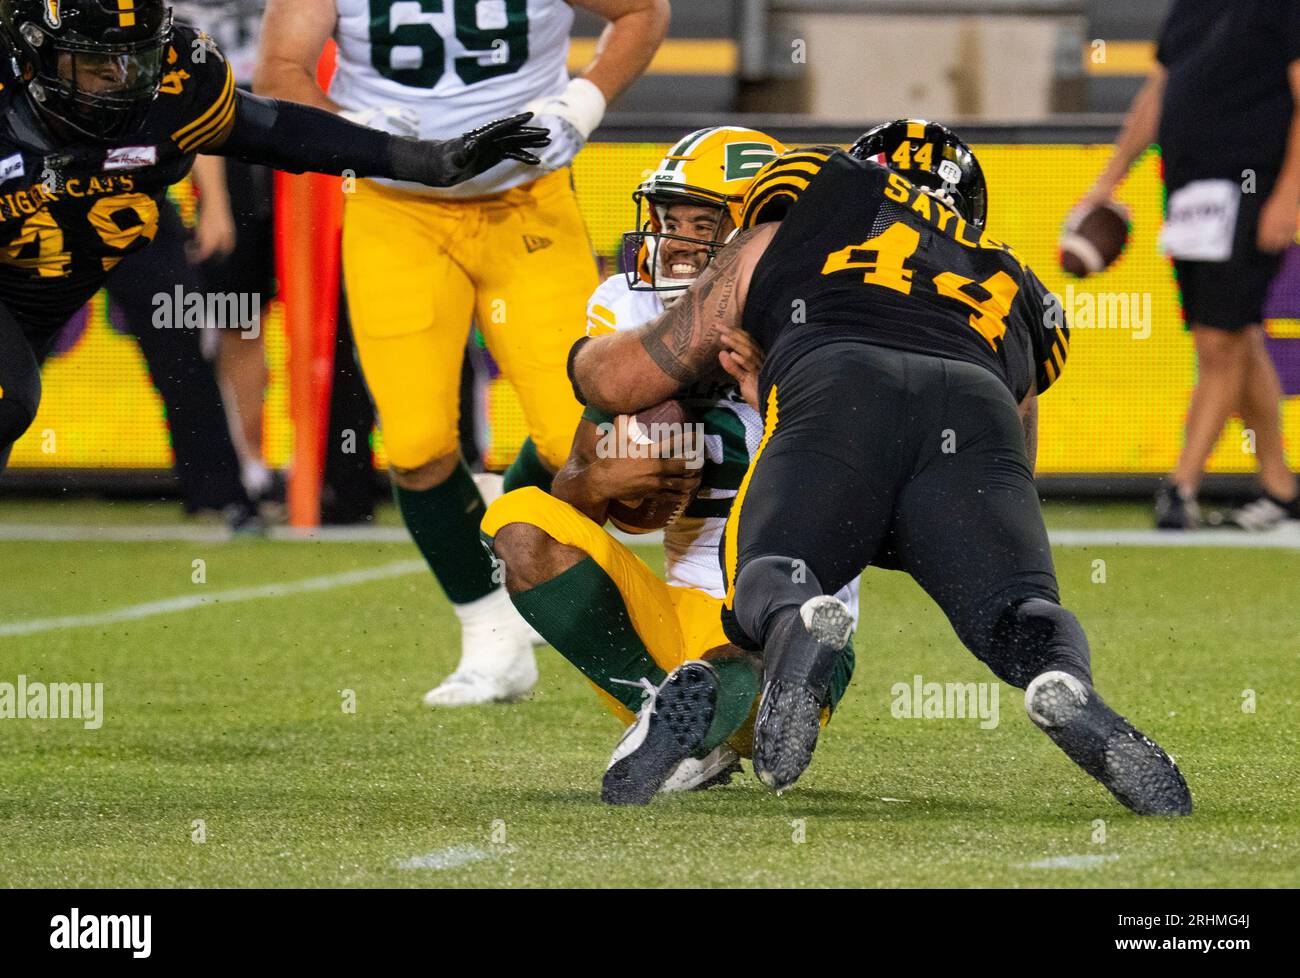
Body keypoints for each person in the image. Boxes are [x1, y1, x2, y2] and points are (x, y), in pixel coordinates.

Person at [568, 121, 1193, 817]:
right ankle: (1061, 681)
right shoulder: (1016, 278)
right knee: (1017, 607)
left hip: (840, 382)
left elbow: (625, 381)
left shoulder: (811, 193)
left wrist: (584, 363)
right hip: (976, 406)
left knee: (771, 573)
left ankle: (795, 622)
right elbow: (1017, 466)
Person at [254, 0, 671, 707]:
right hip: (394, 207)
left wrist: (581, 103)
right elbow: (281, 72)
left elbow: (642, 11)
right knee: (416, 447)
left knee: (578, 429)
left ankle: (509, 530)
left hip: (526, 200)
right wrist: (364, 136)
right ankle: (490, 637)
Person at [0, 0, 546, 476]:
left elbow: (279, 130)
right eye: (98, 63)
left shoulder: (177, 84)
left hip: (44, 302)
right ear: (32, 55)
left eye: (135, 58)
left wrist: (424, 160)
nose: (122, 77)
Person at [481, 127, 860, 804]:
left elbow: (856, 487)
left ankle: (694, 722)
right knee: (518, 522)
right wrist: (599, 482)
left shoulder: (821, 314)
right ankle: (675, 715)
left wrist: (774, 395)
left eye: (703, 223)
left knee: (738, 653)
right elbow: (575, 497)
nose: (677, 242)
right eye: (669, 220)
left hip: (788, 619)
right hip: (681, 610)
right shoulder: (632, 311)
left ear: (758, 231)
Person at [1075, 0, 1300, 531]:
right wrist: (1107, 183)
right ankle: (1280, 489)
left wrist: (1289, 194)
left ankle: (1181, 487)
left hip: (1250, 185)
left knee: (1217, 341)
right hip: (1188, 192)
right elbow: (1156, 95)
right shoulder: (1190, 9)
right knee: (1235, 332)